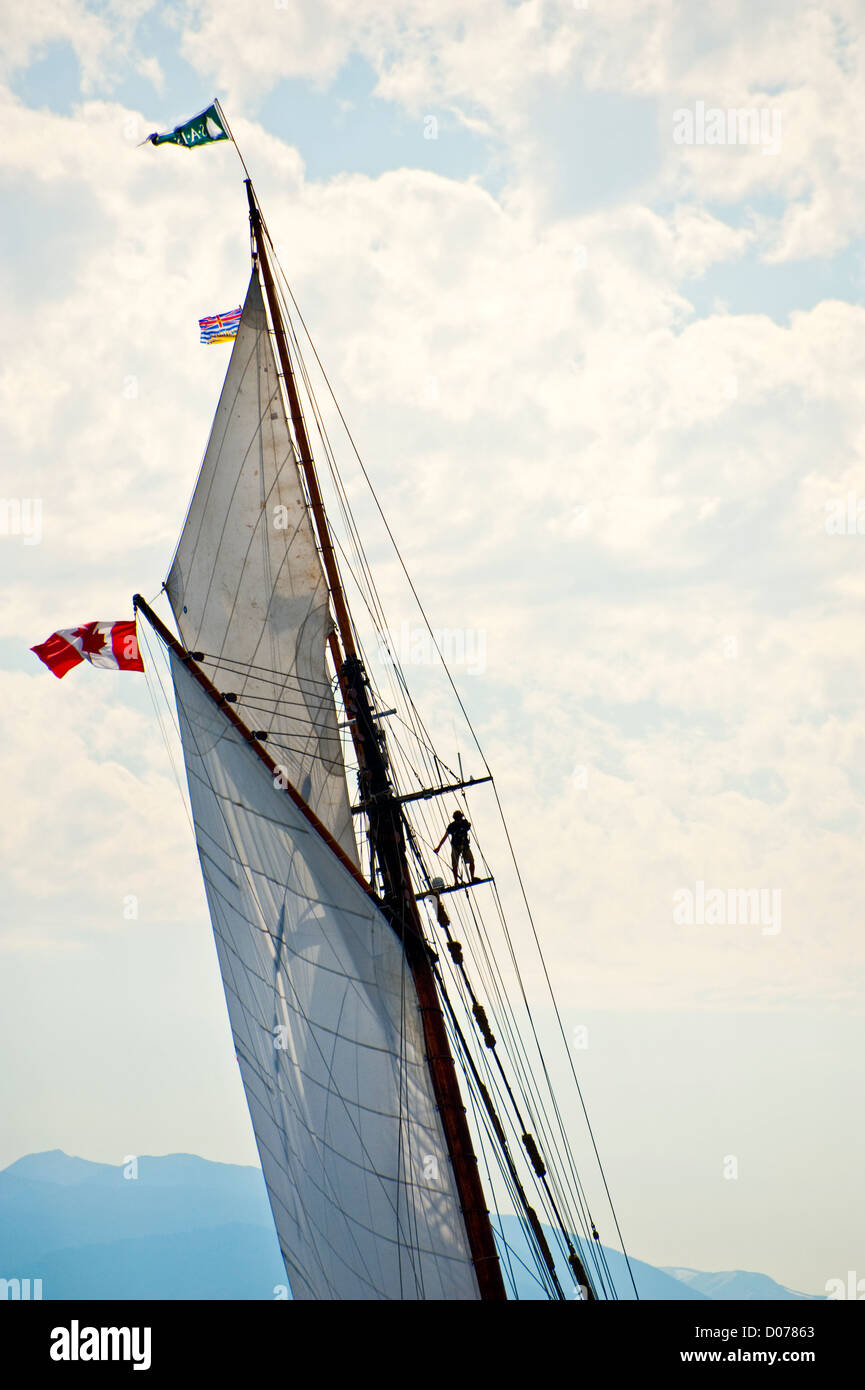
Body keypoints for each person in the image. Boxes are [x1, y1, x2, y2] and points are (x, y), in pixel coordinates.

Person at [434, 810, 476, 886]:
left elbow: (469, 825)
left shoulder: (464, 823)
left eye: (460, 819)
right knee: (455, 864)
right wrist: (438, 847)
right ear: (455, 819)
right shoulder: (451, 826)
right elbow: (444, 837)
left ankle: (472, 877)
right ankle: (456, 881)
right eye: (458, 819)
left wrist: (468, 825)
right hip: (455, 847)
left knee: (472, 861)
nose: (459, 821)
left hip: (465, 845)